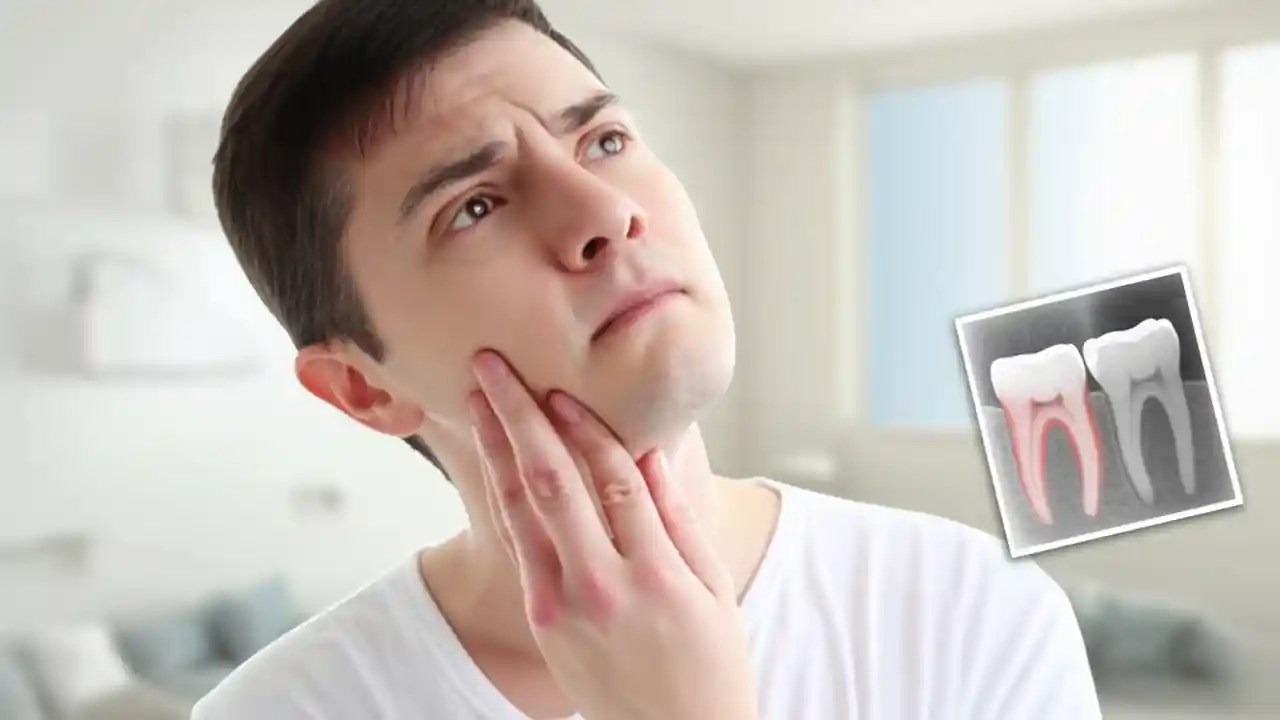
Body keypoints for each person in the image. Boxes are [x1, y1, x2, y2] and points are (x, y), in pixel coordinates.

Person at [192, 1, 1102, 718]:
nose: (602, 212)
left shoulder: (972, 608)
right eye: (474, 206)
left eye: (605, 141)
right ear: (361, 386)